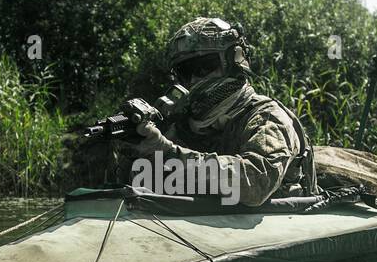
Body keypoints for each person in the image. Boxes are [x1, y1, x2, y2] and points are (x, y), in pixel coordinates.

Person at [121, 17, 315, 207]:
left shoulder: (267, 117)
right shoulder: (182, 124)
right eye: (185, 72)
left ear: (233, 60)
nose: (195, 78)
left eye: (205, 66)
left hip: (276, 229)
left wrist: (170, 155)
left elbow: (257, 181)